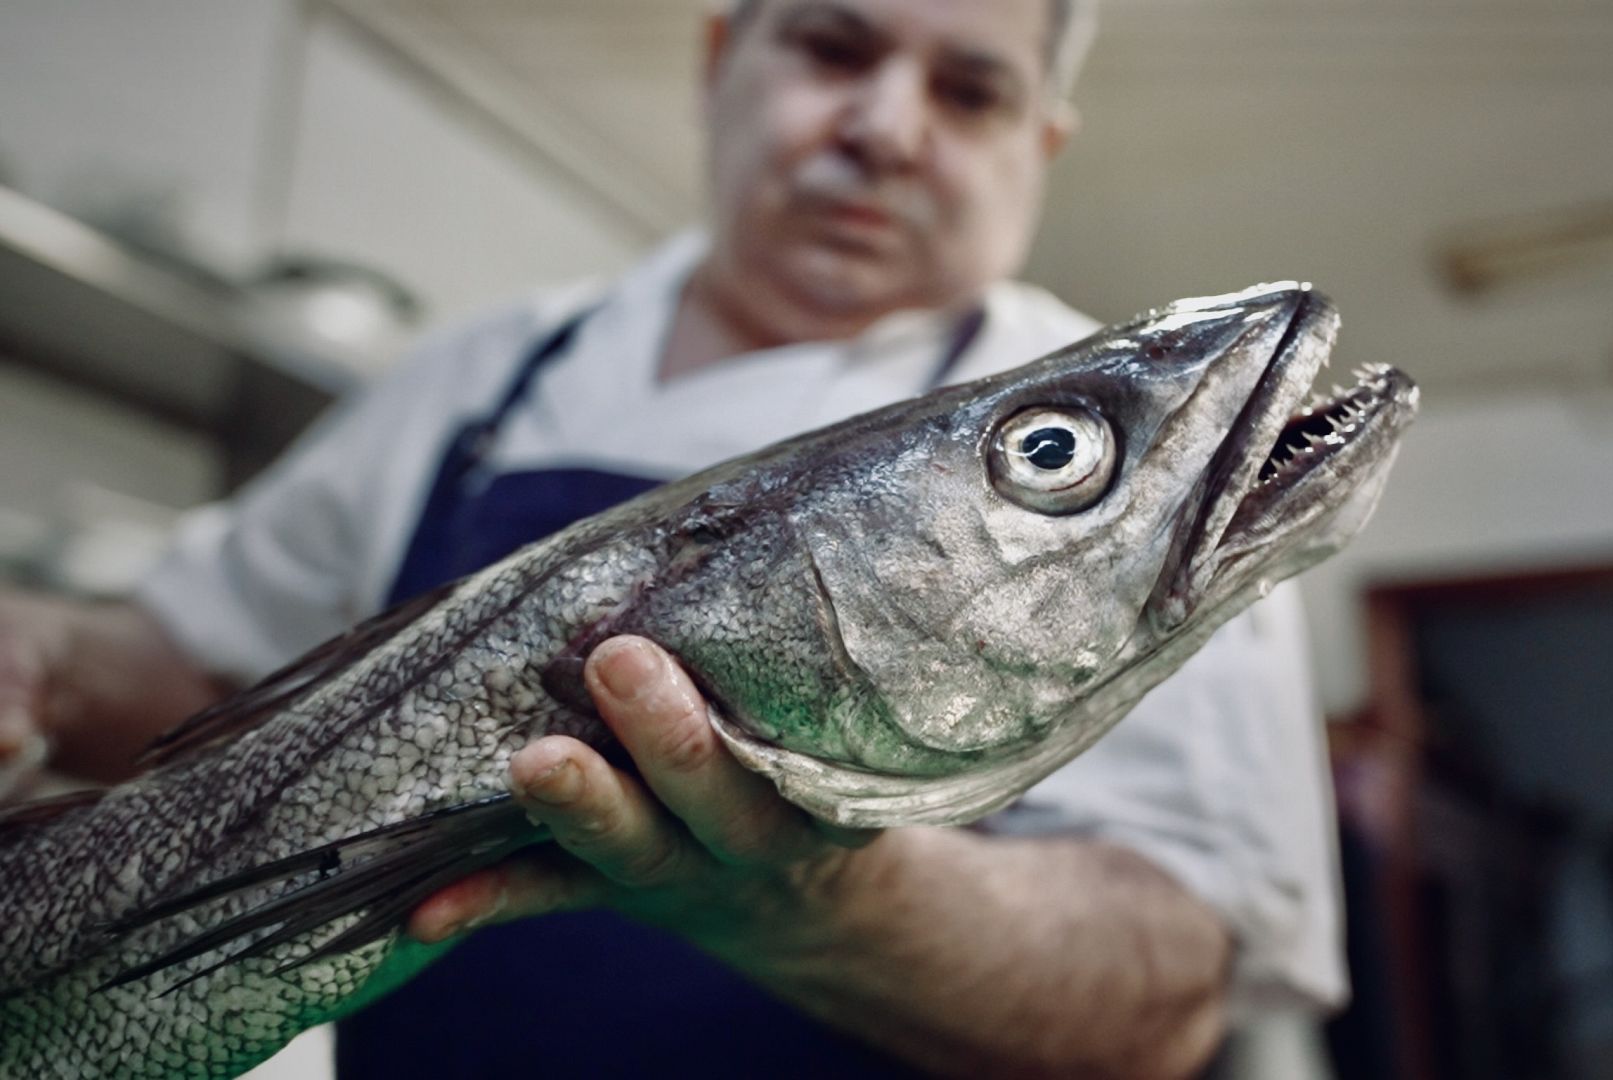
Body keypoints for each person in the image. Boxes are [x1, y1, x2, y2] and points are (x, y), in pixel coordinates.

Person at [0, 0, 1347, 1075]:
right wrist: (42, 656)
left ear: (1038, 144)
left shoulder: (1143, 474)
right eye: (834, 43)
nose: (886, 125)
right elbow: (189, 677)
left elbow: (1158, 1003)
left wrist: (808, 901)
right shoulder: (492, 369)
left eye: (969, 89)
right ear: (721, 59)